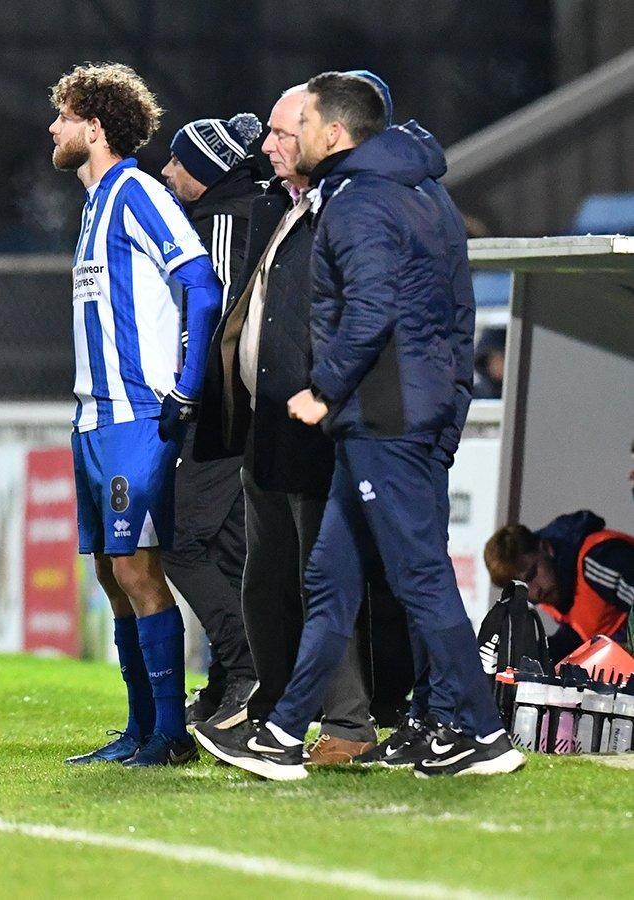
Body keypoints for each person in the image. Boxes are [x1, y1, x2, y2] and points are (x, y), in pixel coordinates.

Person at [194, 71, 523, 780]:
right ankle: (283, 734)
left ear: (334, 133)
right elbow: (452, 312)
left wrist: (323, 387)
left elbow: (370, 311)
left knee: (418, 576)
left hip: (383, 415)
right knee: (331, 577)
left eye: (298, 124)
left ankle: (481, 734)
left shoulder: (354, 202)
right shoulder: (422, 191)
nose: (287, 139)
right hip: (409, 409)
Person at [193, 83, 376, 765]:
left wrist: (322, 395)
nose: (267, 146)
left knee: (320, 580)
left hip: (313, 422)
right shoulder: (288, 207)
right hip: (265, 424)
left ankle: (348, 725)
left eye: (279, 132)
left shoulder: (342, 210)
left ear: (321, 132)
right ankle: (270, 712)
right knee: (266, 579)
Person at [49, 62, 224, 767]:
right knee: (108, 573)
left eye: (62, 116)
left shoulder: (135, 192)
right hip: (93, 420)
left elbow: (199, 283)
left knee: (135, 569)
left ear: (93, 127)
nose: (52, 129)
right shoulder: (94, 205)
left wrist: (186, 386)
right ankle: (137, 728)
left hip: (135, 419)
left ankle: (170, 736)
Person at [159, 112, 266, 730]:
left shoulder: (222, 221)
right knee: (228, 552)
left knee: (178, 538)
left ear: (206, 170)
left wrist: (187, 395)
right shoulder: (240, 209)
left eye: (180, 162)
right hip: (242, 409)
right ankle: (230, 683)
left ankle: (245, 667)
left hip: (223, 411)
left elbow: (214, 318)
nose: (168, 172)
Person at [485, 511, 633, 661]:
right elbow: (580, 633)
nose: (535, 592)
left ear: (546, 548)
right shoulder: (554, 590)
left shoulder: (599, 559)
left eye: (531, 575)